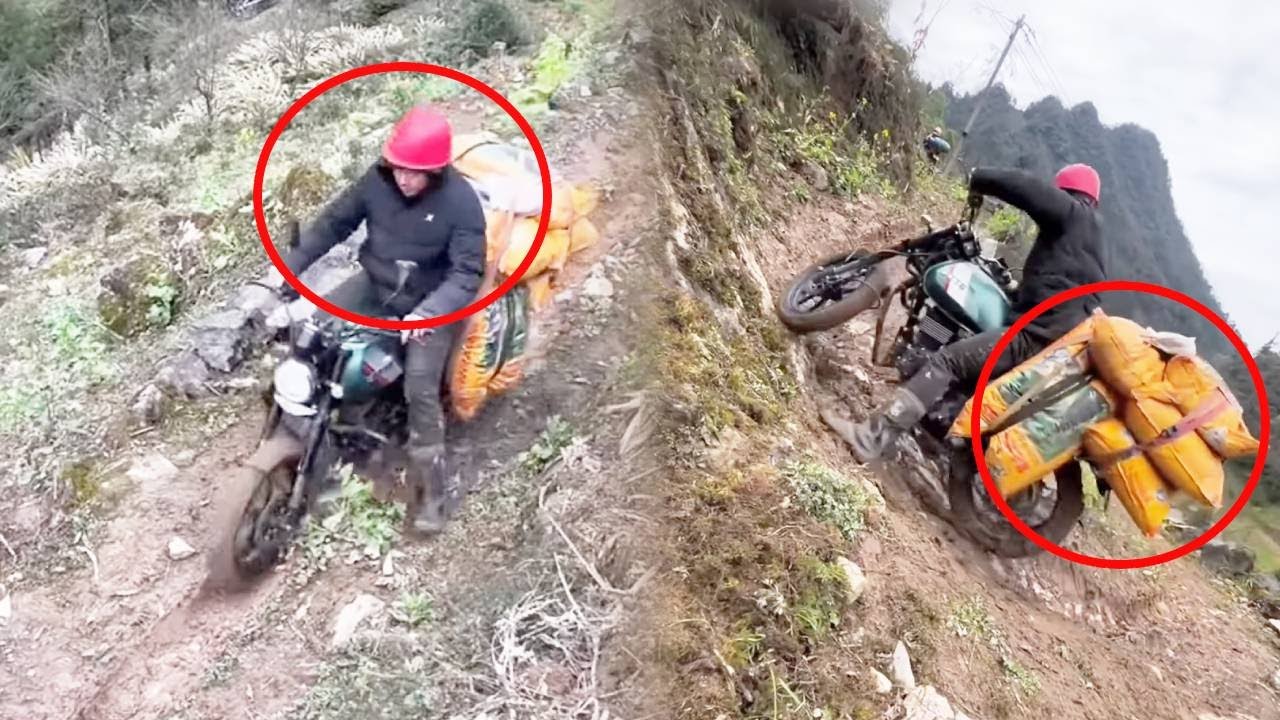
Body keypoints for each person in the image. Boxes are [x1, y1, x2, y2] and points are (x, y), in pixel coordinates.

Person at [277, 104, 487, 533]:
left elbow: (467, 274)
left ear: (437, 171)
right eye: (398, 169)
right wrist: (290, 267)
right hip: (375, 281)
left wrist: (427, 313)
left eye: (416, 172)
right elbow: (333, 223)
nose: (405, 179)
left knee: (419, 387)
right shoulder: (377, 182)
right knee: (312, 334)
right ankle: (302, 432)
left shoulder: (461, 203)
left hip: (430, 301)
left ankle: (433, 491)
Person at [827, 163, 1108, 463]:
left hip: (1035, 337)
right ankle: (934, 431)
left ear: (1065, 192)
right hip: (1058, 345)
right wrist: (1015, 292)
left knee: (946, 362)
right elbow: (1059, 287)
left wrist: (980, 176)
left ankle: (873, 437)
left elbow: (1026, 188)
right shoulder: (1093, 240)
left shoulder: (1073, 213)